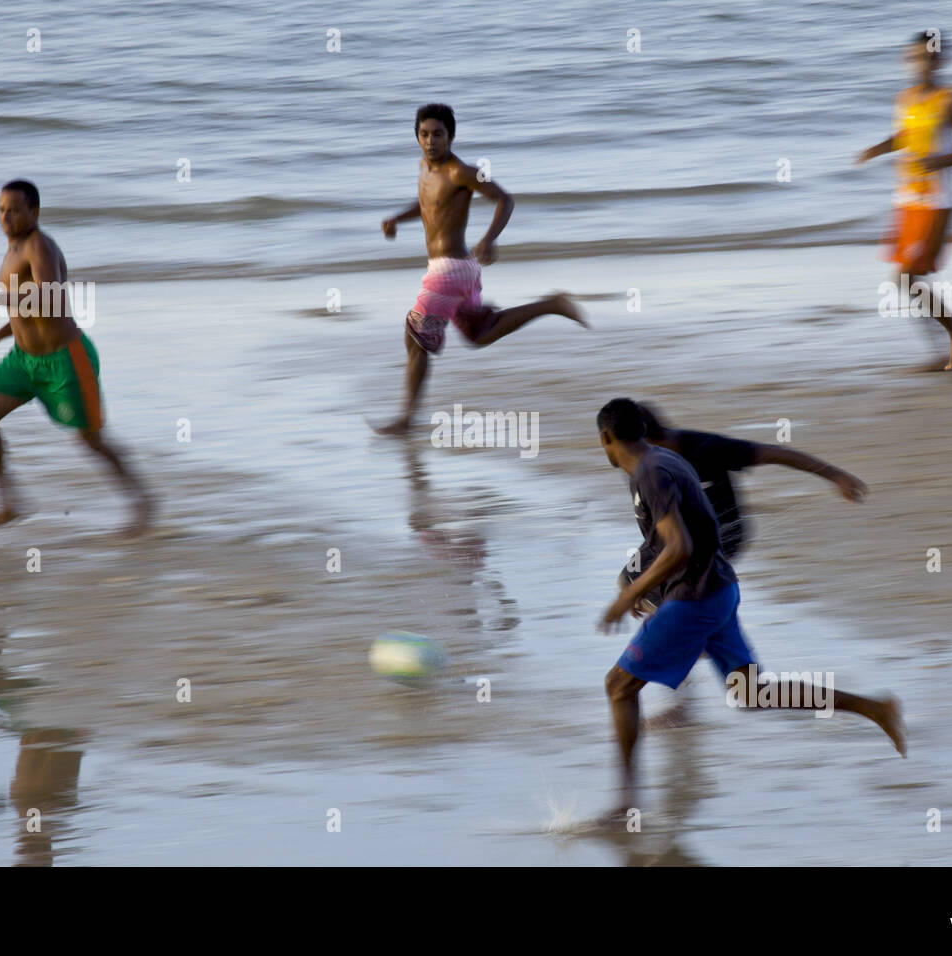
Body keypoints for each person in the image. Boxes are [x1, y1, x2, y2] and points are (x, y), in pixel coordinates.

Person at [595, 398, 904, 815]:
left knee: (618, 687)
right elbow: (674, 541)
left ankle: (625, 806)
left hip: (696, 598)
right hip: (720, 590)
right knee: (751, 692)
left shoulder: (651, 473)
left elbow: (678, 548)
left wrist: (628, 597)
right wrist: (633, 580)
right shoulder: (664, 459)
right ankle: (873, 707)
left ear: (606, 439)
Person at [0, 179, 153, 532]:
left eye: (14, 210)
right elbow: (26, 310)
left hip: (65, 360)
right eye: (1, 209)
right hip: (23, 361)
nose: (5, 217)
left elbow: (48, 299)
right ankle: (10, 503)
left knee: (91, 439)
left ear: (34, 212)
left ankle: (142, 501)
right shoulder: (11, 251)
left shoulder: (39, 246)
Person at [374, 104, 586, 434]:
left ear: (451, 136)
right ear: (416, 137)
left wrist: (489, 238)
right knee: (480, 334)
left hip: (449, 271)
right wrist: (397, 220)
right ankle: (552, 304)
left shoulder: (464, 172)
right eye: (425, 134)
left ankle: (406, 417)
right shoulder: (424, 168)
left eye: (439, 135)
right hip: (461, 272)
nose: (431, 141)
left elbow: (505, 198)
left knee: (414, 337)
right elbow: (428, 202)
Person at [618, 401, 868, 609]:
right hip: (676, 531)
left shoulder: (705, 448)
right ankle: (687, 635)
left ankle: (690, 631)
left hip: (724, 531)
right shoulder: (640, 464)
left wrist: (837, 476)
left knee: (679, 588)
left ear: (649, 441)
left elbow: (774, 453)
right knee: (629, 580)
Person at [856, 31, 952, 371]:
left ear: (941, 61)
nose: (921, 64)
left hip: (938, 201)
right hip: (907, 200)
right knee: (908, 280)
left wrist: (941, 162)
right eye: (915, 58)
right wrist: (879, 148)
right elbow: (906, 135)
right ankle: (943, 349)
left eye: (929, 58)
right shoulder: (904, 99)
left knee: (903, 279)